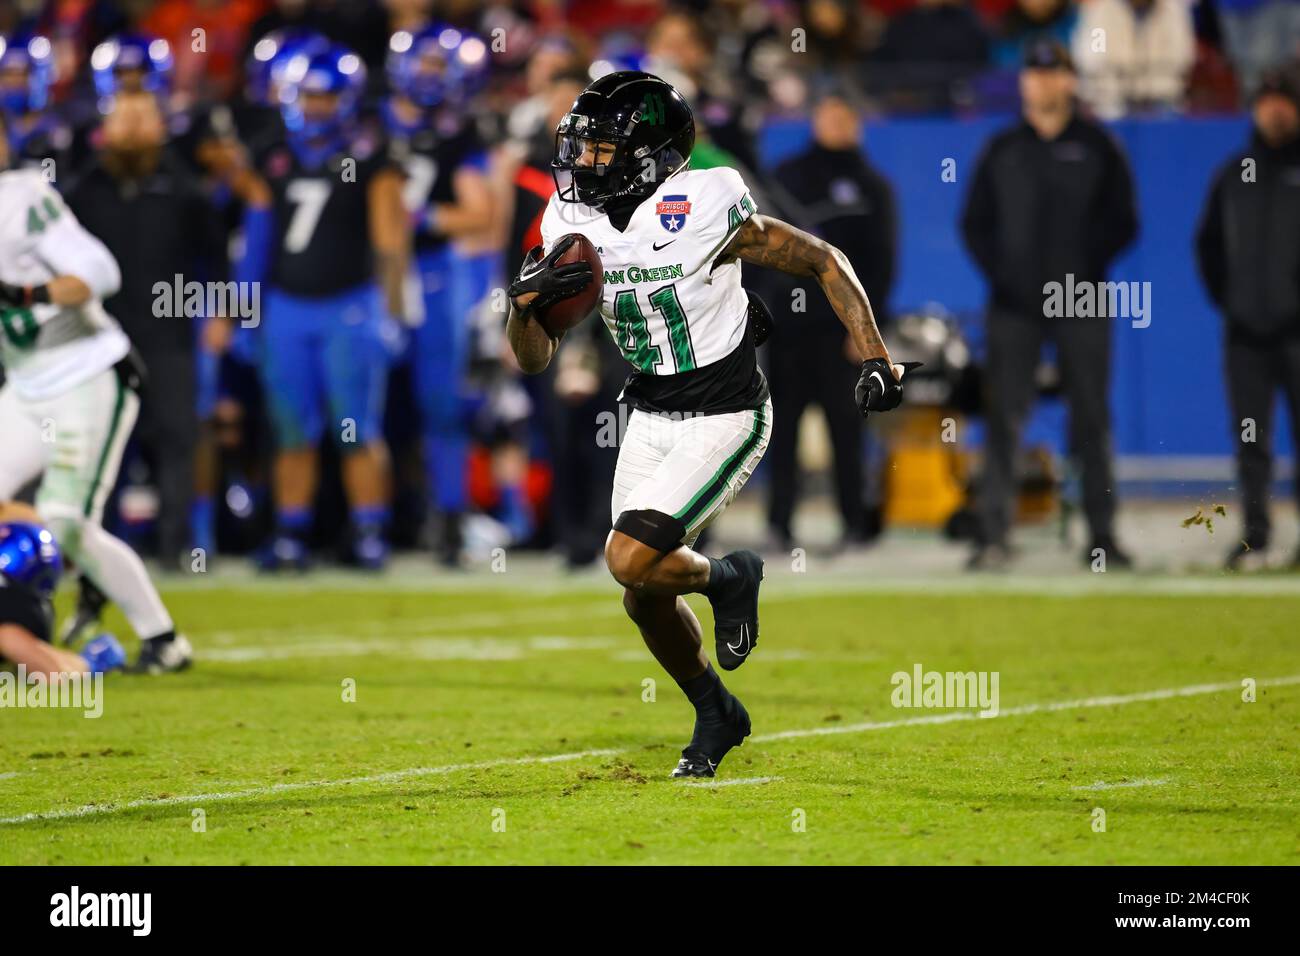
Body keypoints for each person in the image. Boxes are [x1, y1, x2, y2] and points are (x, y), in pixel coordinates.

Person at [506, 72, 907, 778]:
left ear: (652, 155)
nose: (585, 163)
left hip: (727, 408)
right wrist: (523, 306)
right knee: (642, 593)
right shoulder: (572, 224)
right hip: (650, 412)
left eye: (603, 150)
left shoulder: (701, 203)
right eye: (584, 147)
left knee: (627, 558)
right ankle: (715, 707)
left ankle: (727, 575)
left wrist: (874, 354)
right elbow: (534, 358)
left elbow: (820, 257)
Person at [0, 114, 192, 674]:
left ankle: (164, 642)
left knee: (63, 518)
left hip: (87, 372)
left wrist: (22, 290)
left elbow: (100, 271)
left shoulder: (20, 195)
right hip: (26, 383)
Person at [962, 40, 1138, 570]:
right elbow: (975, 224)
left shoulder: (1098, 146)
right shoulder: (1002, 148)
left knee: (1091, 418)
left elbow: (1124, 222)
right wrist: (1007, 278)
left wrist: (1082, 273)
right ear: (1024, 84)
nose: (1040, 82)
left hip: (1080, 301)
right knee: (1004, 419)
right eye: (1032, 74)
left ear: (1070, 81)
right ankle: (994, 536)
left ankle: (1102, 538)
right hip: (1013, 306)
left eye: (1051, 73)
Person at [243, 42, 408, 570]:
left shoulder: (370, 156)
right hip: (287, 306)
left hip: (350, 306)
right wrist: (244, 310)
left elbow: (390, 241)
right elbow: (255, 243)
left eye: (324, 97)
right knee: (292, 429)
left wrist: (393, 309)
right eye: (307, 96)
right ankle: (292, 533)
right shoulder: (271, 152)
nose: (314, 107)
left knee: (357, 427)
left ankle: (368, 531)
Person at [765, 92, 896, 551]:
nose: (837, 125)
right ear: (815, 119)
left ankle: (854, 521)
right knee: (781, 429)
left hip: (840, 333)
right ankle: (779, 523)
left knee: (848, 427)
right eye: (828, 116)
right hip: (788, 332)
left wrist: (865, 333)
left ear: (856, 123)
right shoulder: (784, 179)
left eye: (845, 117)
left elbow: (882, 266)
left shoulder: (873, 187)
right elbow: (763, 257)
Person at [385, 24, 493, 564]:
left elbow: (481, 213)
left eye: (438, 67)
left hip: (431, 273)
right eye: (422, 65)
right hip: (367, 274)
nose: (428, 77)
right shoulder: (366, 126)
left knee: (441, 403)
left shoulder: (459, 135)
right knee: (362, 405)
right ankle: (362, 523)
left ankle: (448, 519)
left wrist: (418, 215)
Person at [1196, 68, 1300, 570]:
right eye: (1268, 100)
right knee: (1252, 440)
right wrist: (1232, 301)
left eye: (1286, 101)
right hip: (1245, 334)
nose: (1276, 109)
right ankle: (1256, 536)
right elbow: (1208, 246)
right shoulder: (1235, 172)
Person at [0, 502, 125, 679]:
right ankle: (97, 655)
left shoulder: (7, 632)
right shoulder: (8, 631)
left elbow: (53, 673)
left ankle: (96, 656)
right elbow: (54, 673)